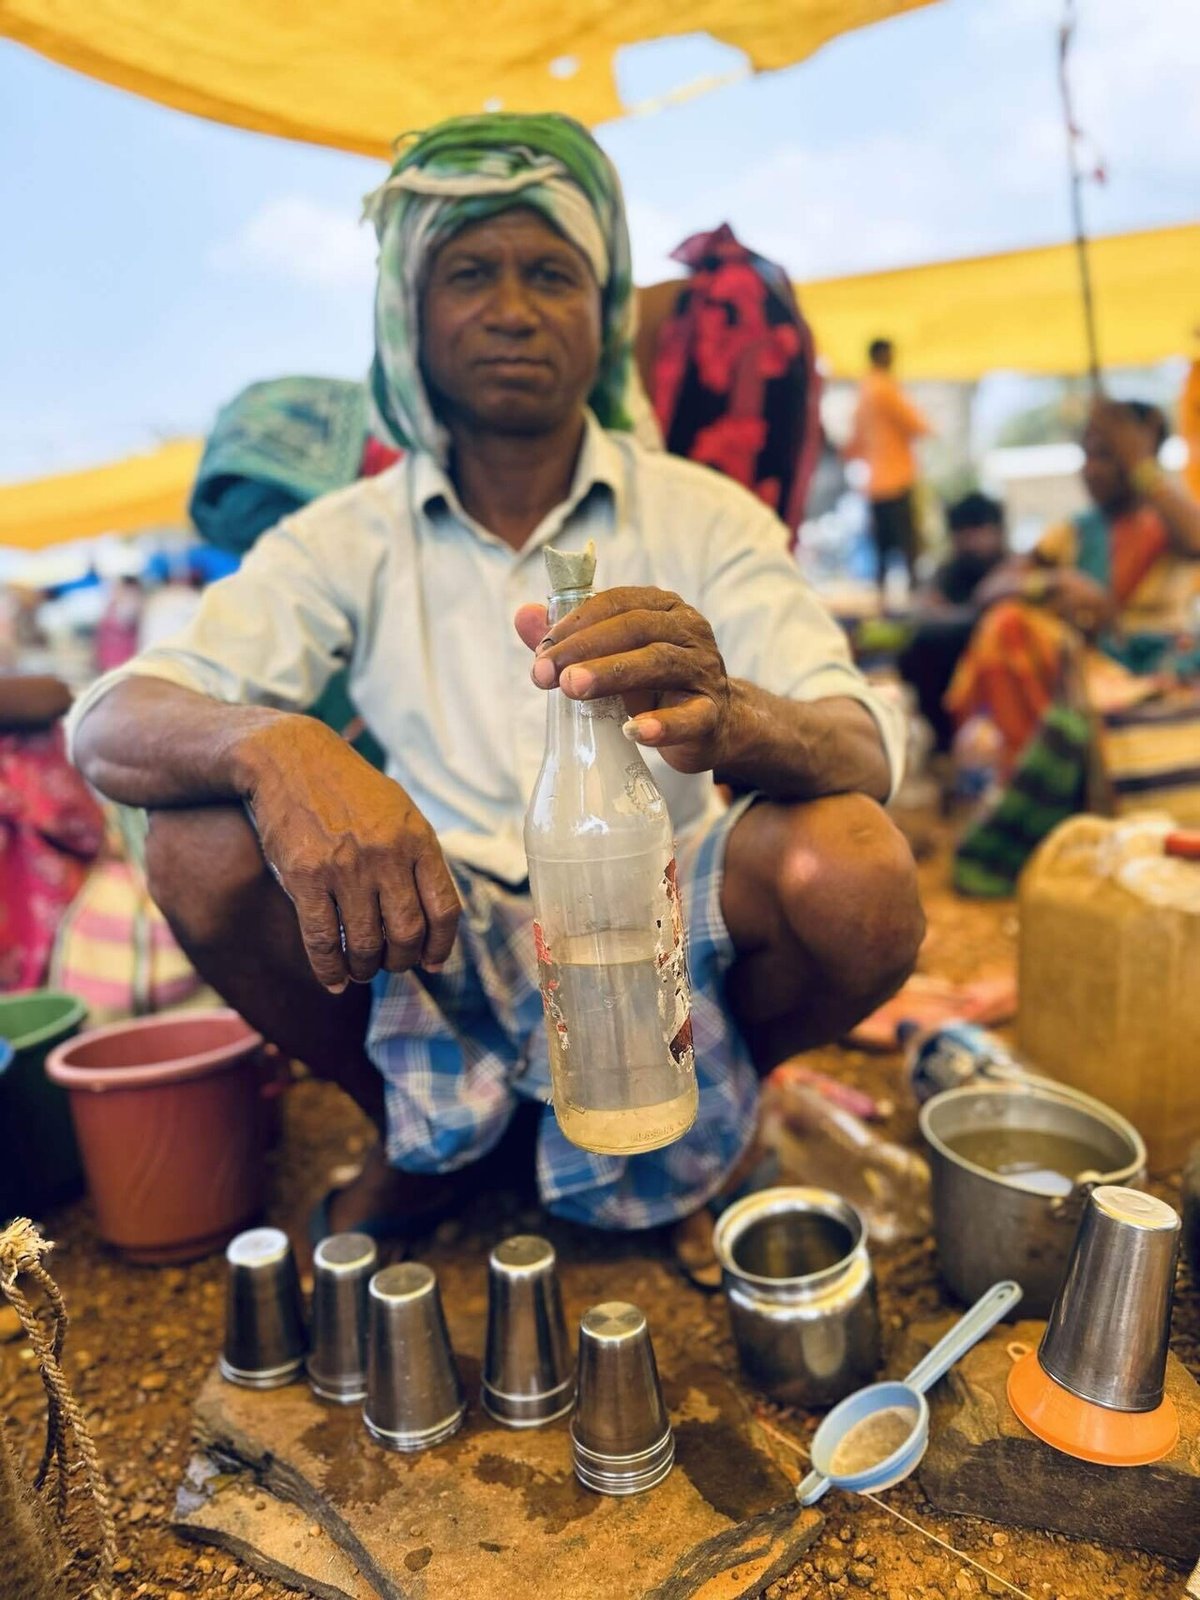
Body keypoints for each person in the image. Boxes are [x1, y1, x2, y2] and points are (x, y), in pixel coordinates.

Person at [69, 114, 923, 1245]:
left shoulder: (700, 512)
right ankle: (419, 1140)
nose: (514, 309)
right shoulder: (349, 535)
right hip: (431, 926)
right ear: (409, 317)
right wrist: (279, 747)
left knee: (852, 864)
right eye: (470, 272)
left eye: (553, 274)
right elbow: (107, 722)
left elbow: (862, 744)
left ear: (602, 313)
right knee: (201, 845)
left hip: (656, 922)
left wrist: (735, 713)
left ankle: (706, 1109)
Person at [947, 399, 1200, 768]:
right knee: (1007, 625)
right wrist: (1054, 582)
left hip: (1158, 671)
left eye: (1107, 456)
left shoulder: (1172, 521)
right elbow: (989, 592)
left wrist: (1141, 463)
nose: (1092, 470)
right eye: (1087, 456)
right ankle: (1034, 770)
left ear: (1143, 456)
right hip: (1086, 673)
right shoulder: (1073, 532)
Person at [897, 492, 1009, 749]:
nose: (969, 541)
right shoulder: (949, 572)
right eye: (962, 533)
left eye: (977, 531)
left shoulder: (1010, 571)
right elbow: (922, 615)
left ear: (998, 531)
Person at [845, 338, 932, 595]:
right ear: (883, 356)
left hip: (875, 482)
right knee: (908, 543)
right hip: (897, 478)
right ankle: (913, 596)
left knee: (882, 545)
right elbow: (915, 424)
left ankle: (881, 596)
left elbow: (856, 439)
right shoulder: (886, 388)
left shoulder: (863, 391)